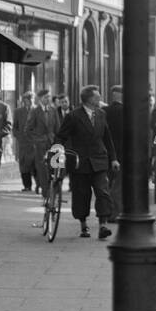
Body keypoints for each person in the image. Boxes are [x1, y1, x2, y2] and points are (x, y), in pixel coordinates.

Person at [56, 86, 120, 238]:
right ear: (90, 99)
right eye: (97, 96)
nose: (100, 98)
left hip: (99, 160)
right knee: (81, 195)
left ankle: (103, 225)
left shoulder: (101, 114)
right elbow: (61, 136)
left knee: (102, 192)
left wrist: (114, 159)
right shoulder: (73, 116)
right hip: (80, 162)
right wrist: (56, 153)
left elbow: (107, 138)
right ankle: (83, 225)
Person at [26, 89, 60, 199]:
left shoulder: (53, 111)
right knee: (42, 170)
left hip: (52, 143)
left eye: (49, 97)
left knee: (54, 168)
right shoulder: (35, 111)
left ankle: (54, 191)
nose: (49, 99)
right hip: (40, 145)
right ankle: (46, 194)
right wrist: (36, 141)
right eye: (46, 97)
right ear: (40, 99)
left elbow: (57, 128)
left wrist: (57, 141)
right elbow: (28, 129)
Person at [106, 86, 125, 217]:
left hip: (106, 152)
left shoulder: (104, 111)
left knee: (108, 183)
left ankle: (107, 211)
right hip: (122, 152)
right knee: (118, 185)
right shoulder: (126, 111)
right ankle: (116, 212)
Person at [14, 90, 35, 192]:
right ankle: (27, 185)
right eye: (28, 99)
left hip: (35, 143)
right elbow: (15, 128)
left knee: (36, 164)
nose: (30, 101)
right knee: (24, 165)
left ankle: (39, 184)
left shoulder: (37, 110)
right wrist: (20, 137)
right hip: (23, 143)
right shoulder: (18, 112)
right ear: (24, 101)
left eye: (31, 99)